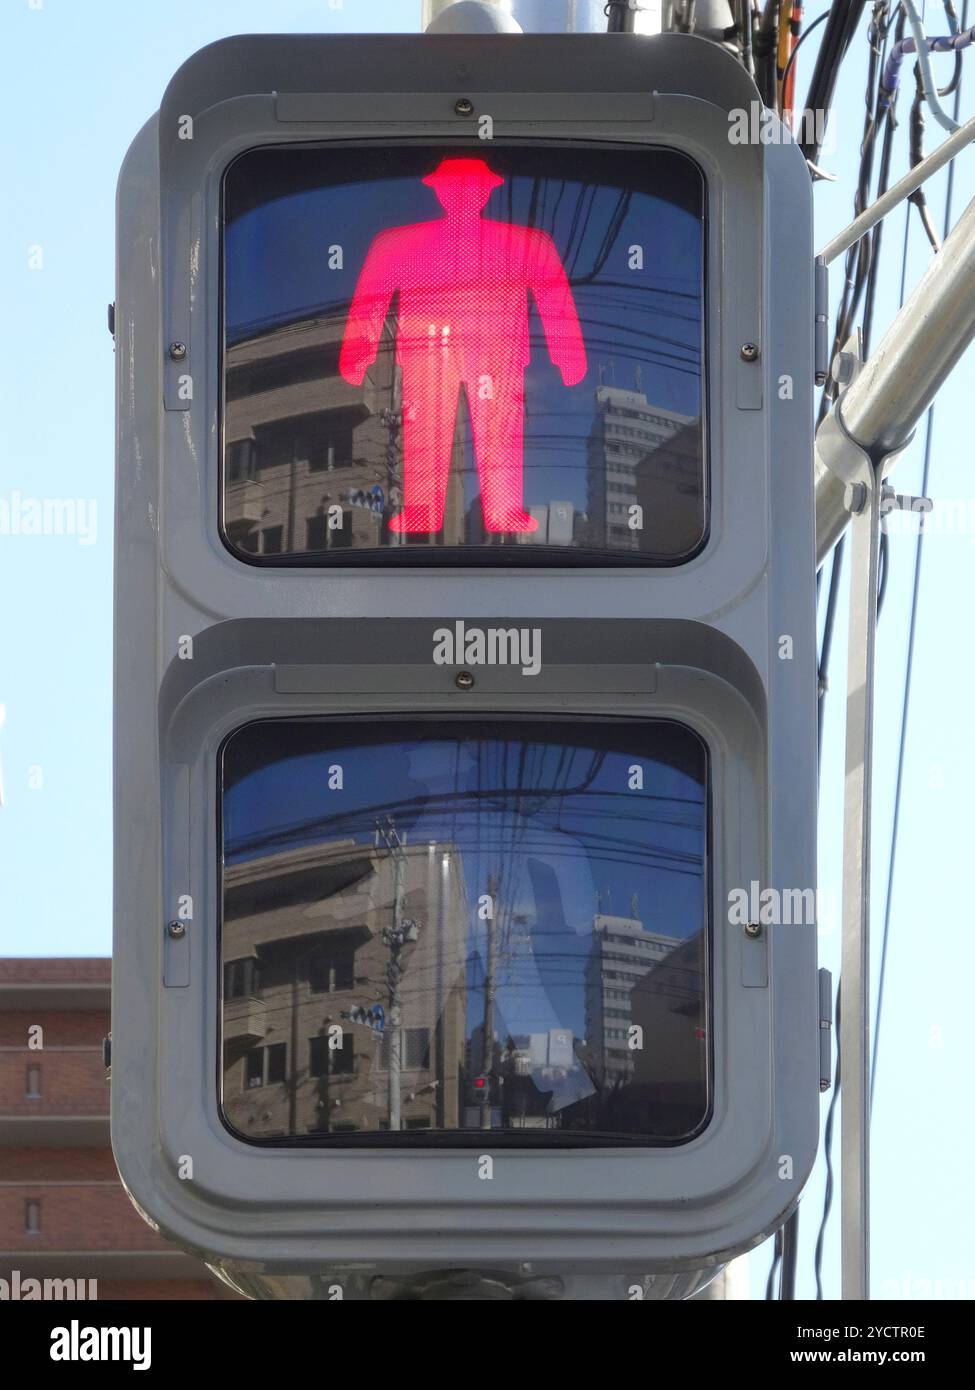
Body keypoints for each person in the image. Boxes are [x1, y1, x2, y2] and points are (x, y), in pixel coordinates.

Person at [339, 157, 587, 534]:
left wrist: (568, 355)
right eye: (453, 188)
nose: (462, 196)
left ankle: (502, 508)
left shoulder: (523, 244)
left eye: (471, 188)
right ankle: (423, 510)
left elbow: (554, 295)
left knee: (500, 428)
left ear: (487, 192)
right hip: (429, 349)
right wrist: (358, 355)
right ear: (437, 191)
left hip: (496, 350)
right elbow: (371, 296)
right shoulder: (399, 244)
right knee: (425, 430)